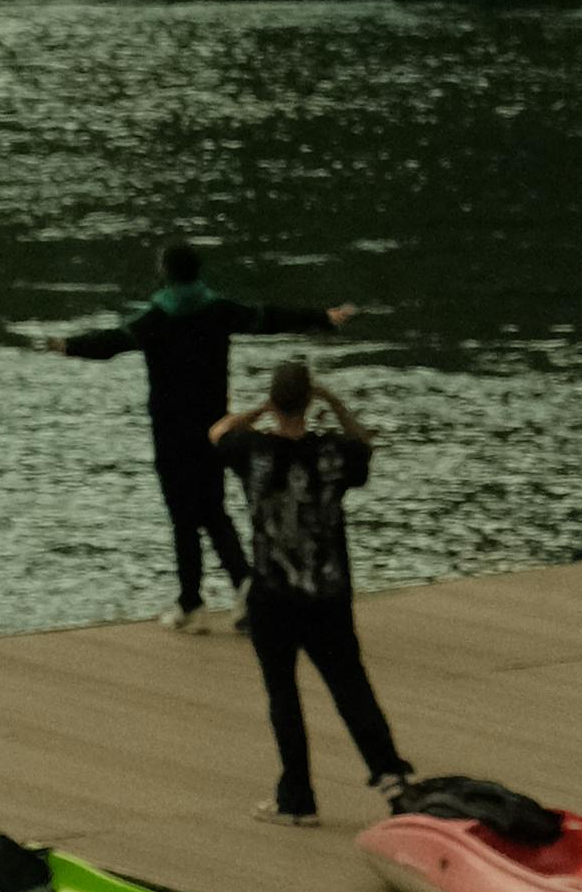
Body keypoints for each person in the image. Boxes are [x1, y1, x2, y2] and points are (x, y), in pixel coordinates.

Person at [51, 241, 351, 625]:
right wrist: (321, 318)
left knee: (182, 514)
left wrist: (65, 346)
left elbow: (111, 343)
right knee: (211, 509)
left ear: (165, 272)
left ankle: (192, 601)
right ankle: (241, 585)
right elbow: (269, 318)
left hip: (171, 433)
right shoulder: (219, 311)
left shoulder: (156, 320)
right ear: (197, 272)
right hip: (215, 431)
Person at [220, 352, 407, 823]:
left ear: (275, 400)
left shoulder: (253, 452)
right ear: (309, 400)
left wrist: (260, 410)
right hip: (327, 594)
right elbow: (364, 442)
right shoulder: (334, 454)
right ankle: (392, 783)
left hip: (272, 597)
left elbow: (217, 432)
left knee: (283, 696)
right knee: (351, 688)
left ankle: (297, 799)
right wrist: (335, 402)